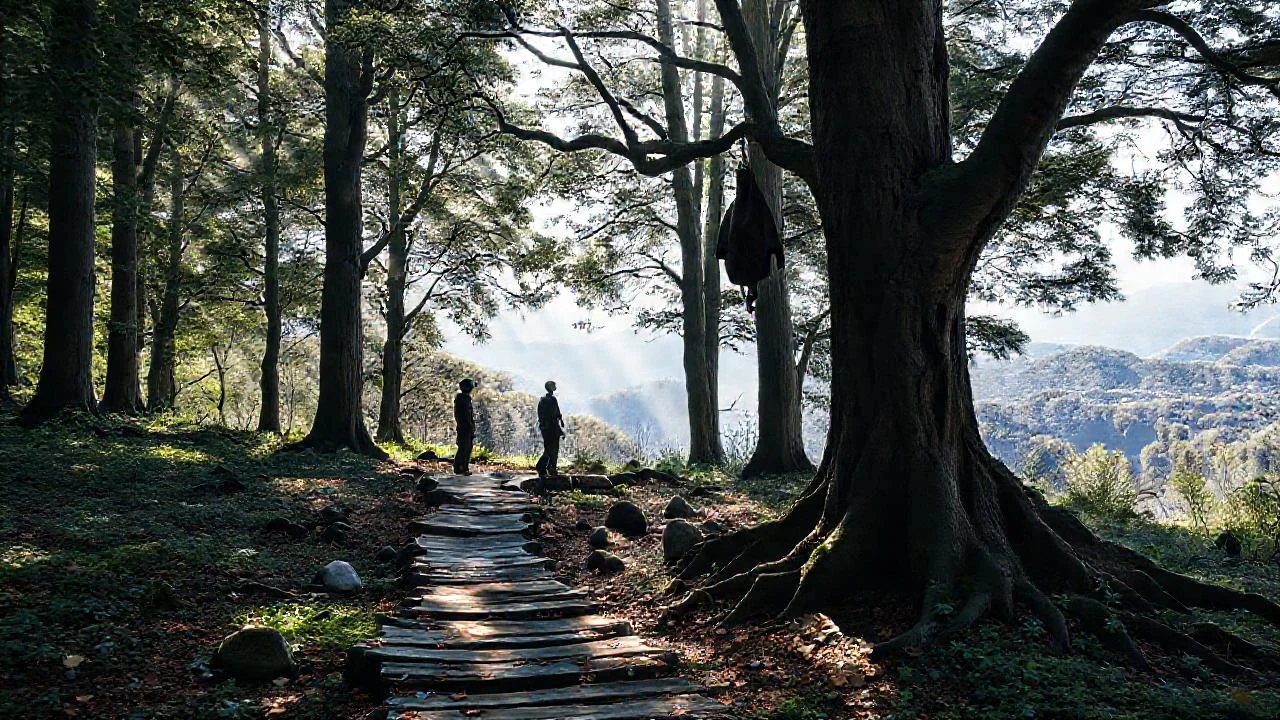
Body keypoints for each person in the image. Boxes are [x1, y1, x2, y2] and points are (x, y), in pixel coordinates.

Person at [536, 380, 565, 478]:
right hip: (552, 428)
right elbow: (555, 415)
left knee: (549, 448)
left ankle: (549, 467)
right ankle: (545, 467)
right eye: (554, 385)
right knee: (552, 448)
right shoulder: (552, 400)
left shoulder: (543, 400)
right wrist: (559, 427)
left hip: (546, 428)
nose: (555, 387)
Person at [453, 378, 476, 475]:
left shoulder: (460, 398)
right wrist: (471, 425)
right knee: (465, 447)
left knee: (464, 446)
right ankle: (461, 467)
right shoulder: (465, 399)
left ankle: (461, 467)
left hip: (462, 426)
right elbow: (467, 414)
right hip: (465, 427)